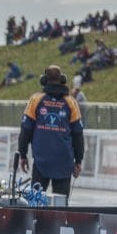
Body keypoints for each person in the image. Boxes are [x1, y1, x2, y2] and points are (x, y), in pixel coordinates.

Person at [18, 64, 83, 199]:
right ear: (62, 80)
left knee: (35, 204)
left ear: (44, 80)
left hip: (42, 161)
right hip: (65, 162)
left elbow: (26, 130)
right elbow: (78, 134)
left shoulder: (36, 99)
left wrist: (23, 155)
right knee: (60, 208)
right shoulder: (71, 102)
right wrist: (78, 160)